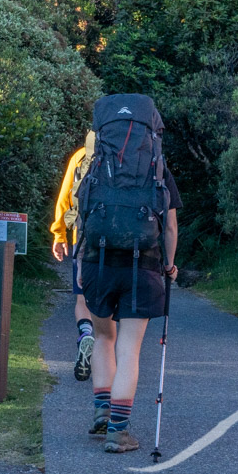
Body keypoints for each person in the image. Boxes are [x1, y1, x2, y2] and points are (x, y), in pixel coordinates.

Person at [74, 94, 180, 454]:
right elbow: (170, 228)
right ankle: (118, 432)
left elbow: (83, 219)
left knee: (104, 337)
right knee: (129, 348)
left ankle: (102, 411)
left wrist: (80, 264)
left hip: (98, 262)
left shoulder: (95, 166)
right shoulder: (158, 170)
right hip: (144, 266)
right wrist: (168, 266)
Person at [49, 140, 116, 434]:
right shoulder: (129, 152)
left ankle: (86, 334)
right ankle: (104, 349)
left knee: (82, 300)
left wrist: (59, 234)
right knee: (109, 312)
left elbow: (65, 197)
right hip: (120, 240)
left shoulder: (81, 155)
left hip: (83, 237)